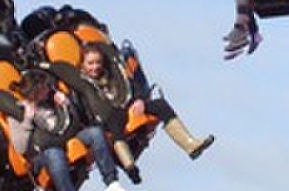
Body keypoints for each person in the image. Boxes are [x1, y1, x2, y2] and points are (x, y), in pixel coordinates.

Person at [73, 42, 214, 180]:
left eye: (98, 62)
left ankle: (190, 144)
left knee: (161, 105)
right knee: (115, 121)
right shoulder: (82, 84)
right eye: (90, 63)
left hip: (127, 105)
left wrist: (139, 99)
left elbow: (132, 86)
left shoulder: (113, 73)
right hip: (107, 117)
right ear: (83, 65)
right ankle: (129, 165)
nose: (95, 67)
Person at [19, 72, 125, 191]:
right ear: (34, 91)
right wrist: (27, 120)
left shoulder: (53, 99)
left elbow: (77, 121)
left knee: (95, 133)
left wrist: (67, 104)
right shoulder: (21, 110)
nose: (47, 90)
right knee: (55, 155)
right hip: (44, 150)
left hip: (66, 136)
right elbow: (20, 146)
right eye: (43, 88)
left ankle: (111, 180)